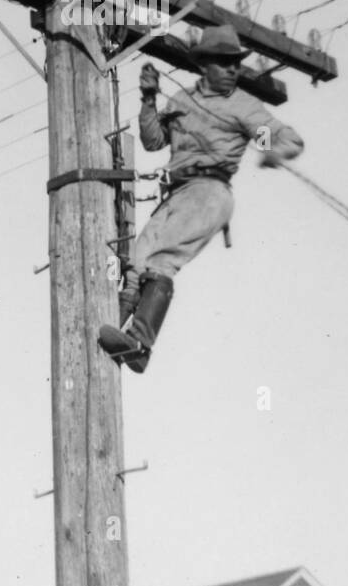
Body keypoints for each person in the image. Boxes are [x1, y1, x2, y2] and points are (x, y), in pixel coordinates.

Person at [98, 24, 304, 374]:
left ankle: (140, 344)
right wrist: (149, 98)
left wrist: (273, 152)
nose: (232, 70)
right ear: (204, 65)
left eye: (235, 63)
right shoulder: (182, 101)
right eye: (224, 63)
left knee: (160, 259)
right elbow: (152, 141)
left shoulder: (242, 105)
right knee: (137, 258)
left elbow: (284, 138)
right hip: (178, 193)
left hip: (210, 192)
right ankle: (111, 329)